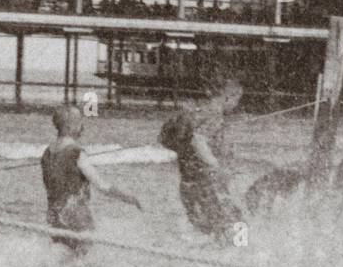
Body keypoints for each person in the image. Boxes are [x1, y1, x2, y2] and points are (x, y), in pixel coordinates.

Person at [40, 105, 140, 253]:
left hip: (54, 215)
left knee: (64, 262)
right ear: (69, 126)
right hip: (77, 216)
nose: (83, 127)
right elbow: (102, 185)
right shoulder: (76, 152)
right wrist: (129, 197)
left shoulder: (47, 152)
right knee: (84, 262)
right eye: (80, 122)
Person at [159, 95, 243, 242]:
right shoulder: (212, 117)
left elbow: (165, 140)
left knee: (209, 231)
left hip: (187, 187)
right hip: (207, 184)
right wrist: (218, 166)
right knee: (237, 223)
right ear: (227, 97)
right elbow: (199, 140)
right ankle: (241, 253)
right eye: (236, 99)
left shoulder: (184, 131)